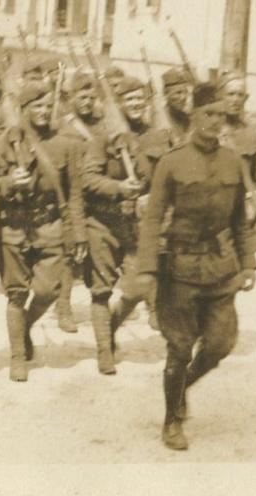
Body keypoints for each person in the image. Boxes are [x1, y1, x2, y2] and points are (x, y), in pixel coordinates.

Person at [137, 81, 256, 451]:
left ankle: (183, 386)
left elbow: (240, 220)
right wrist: (147, 270)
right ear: (193, 115)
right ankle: (172, 420)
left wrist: (248, 262)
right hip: (181, 267)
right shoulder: (172, 162)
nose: (215, 122)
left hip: (221, 267)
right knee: (179, 347)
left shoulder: (233, 162)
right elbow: (153, 218)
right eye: (208, 114)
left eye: (221, 115)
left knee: (221, 343)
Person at [0, 82, 88, 382]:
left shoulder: (65, 144)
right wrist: (10, 183)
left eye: (48, 106)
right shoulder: (4, 142)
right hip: (15, 226)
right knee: (17, 294)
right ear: (24, 110)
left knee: (48, 290)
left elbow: (74, 195)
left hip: (49, 226)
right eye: (37, 107)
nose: (44, 112)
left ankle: (25, 327)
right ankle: (18, 356)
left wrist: (79, 234)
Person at [83, 76, 172, 374]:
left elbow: (164, 176)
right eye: (129, 100)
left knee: (139, 286)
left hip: (137, 224)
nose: (135, 105)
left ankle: (110, 327)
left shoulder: (156, 137)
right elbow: (89, 178)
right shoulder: (101, 138)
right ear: (119, 104)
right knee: (101, 289)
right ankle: (103, 350)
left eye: (140, 100)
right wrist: (120, 187)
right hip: (104, 221)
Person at [53, 71, 109, 333]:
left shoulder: (101, 125)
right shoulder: (62, 125)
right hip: (70, 196)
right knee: (70, 254)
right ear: (71, 97)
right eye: (82, 97)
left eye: (91, 97)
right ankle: (63, 306)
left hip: (95, 195)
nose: (87, 102)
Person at [216, 73, 256, 253]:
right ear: (220, 95)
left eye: (240, 95)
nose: (235, 100)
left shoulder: (251, 134)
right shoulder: (209, 130)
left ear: (246, 98)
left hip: (244, 217)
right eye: (230, 94)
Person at [161, 67, 192, 146]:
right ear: (166, 94)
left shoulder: (187, 118)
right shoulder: (162, 120)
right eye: (178, 93)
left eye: (186, 92)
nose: (183, 97)